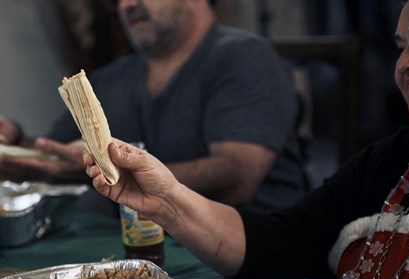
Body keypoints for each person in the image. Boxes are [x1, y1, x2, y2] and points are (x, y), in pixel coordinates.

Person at [84, 0, 409, 279]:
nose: (404, 62)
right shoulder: (393, 160)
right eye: (400, 46)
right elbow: (280, 244)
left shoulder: (241, 56)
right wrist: (167, 201)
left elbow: (237, 172)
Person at [0, 0, 308, 214]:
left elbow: (237, 179)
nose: (127, 4)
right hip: (139, 251)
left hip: (253, 255)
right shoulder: (112, 78)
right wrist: (14, 141)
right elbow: (56, 153)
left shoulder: (243, 57)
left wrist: (114, 174)